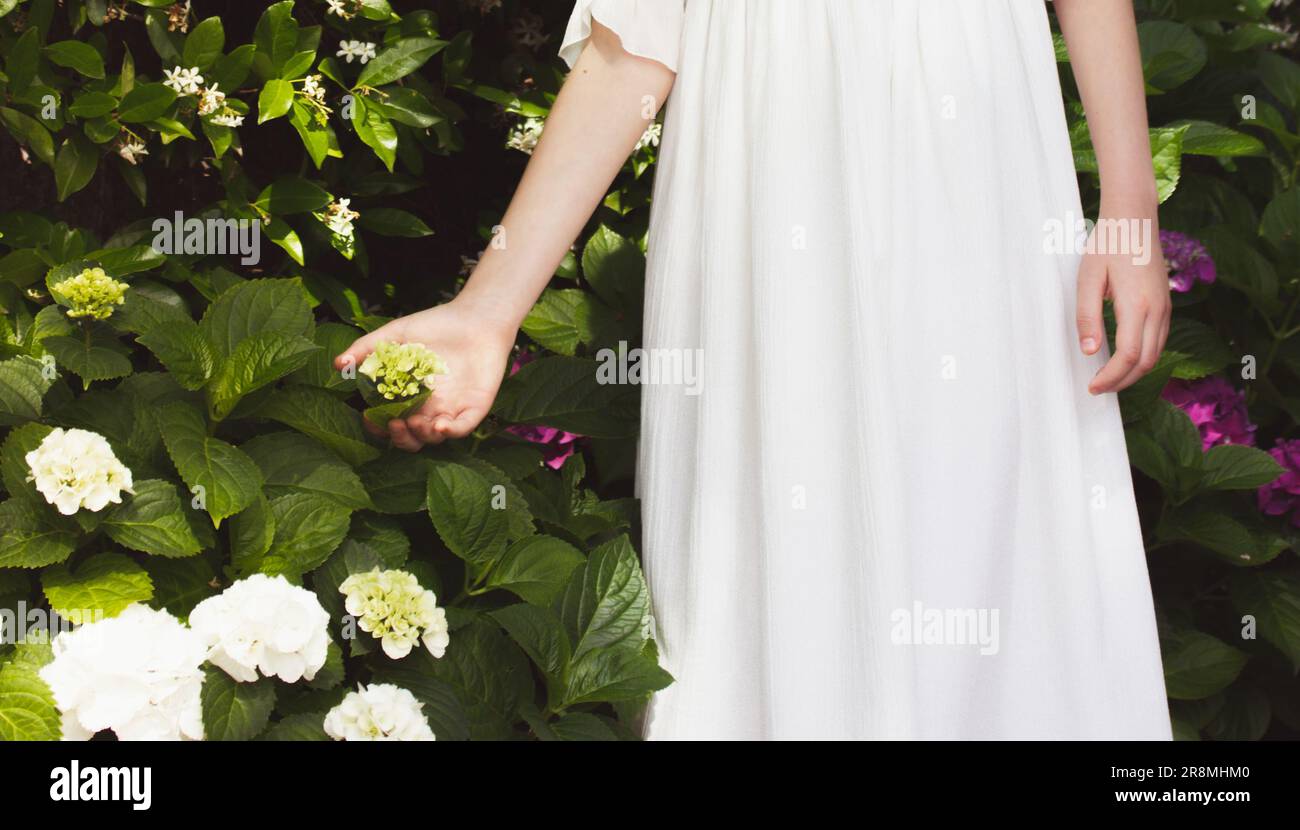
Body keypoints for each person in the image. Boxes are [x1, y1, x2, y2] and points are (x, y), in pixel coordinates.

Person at [336, 0, 1174, 740]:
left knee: (988, 534)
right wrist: (488, 310)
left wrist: (1131, 203)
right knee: (785, 550)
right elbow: (642, 32)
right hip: (770, 194)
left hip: (970, 164)